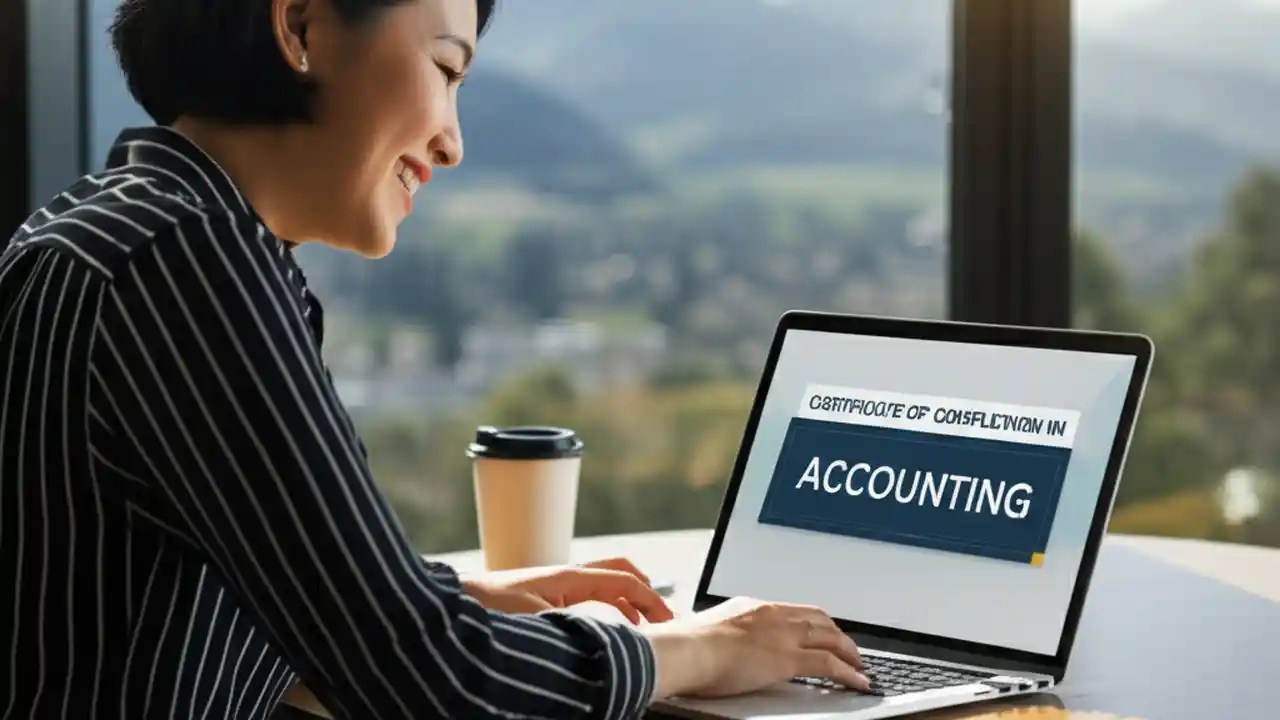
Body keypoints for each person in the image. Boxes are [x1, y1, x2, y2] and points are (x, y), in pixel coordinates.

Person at [0, 0, 870, 717]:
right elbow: (423, 680)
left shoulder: (99, 229)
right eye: (447, 72)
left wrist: (454, 596)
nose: (452, 143)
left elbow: (178, 592)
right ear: (299, 29)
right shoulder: (186, 263)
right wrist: (699, 648)